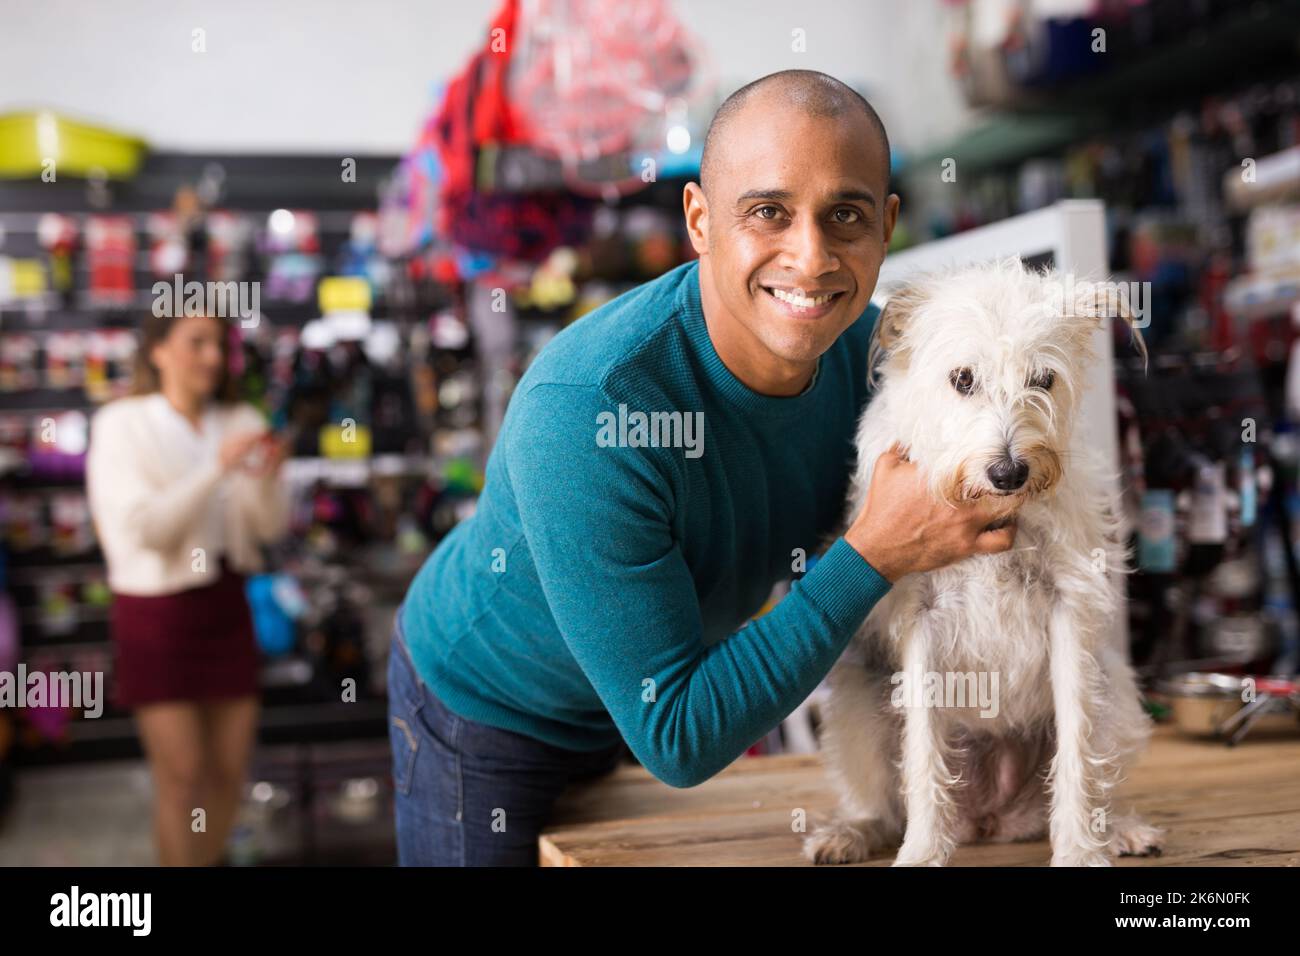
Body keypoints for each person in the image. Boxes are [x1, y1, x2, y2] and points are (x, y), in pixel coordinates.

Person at [388, 69, 1018, 866]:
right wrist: (873, 555)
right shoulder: (591, 409)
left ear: (887, 227)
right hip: (488, 711)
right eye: (768, 212)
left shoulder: (877, 363)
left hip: (632, 701)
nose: (812, 257)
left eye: (846, 216)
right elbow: (677, 736)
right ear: (699, 219)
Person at [86, 309, 290, 866]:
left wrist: (268, 478)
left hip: (226, 602)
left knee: (227, 773)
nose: (210, 357)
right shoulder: (121, 424)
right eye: (195, 342)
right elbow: (144, 531)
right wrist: (215, 469)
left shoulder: (241, 416)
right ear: (158, 350)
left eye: (218, 344)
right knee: (182, 777)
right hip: (156, 613)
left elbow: (267, 527)